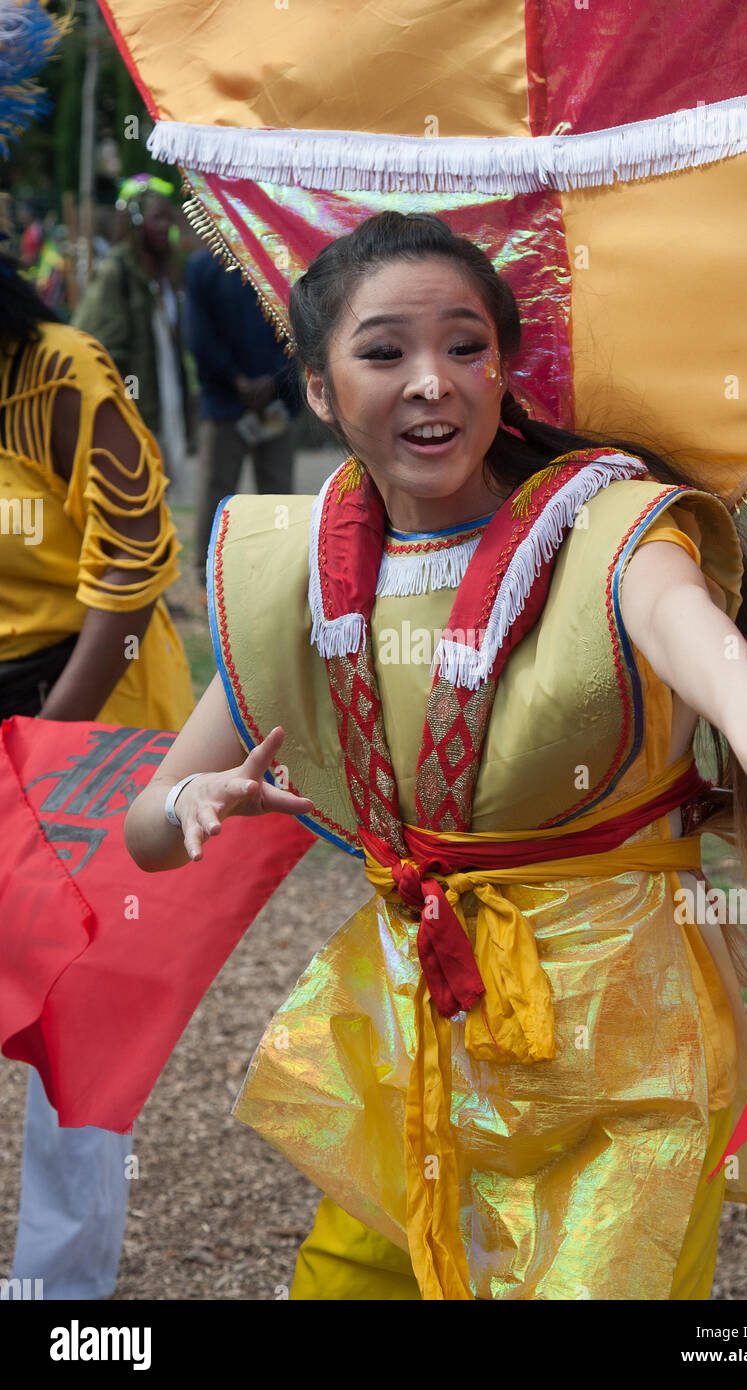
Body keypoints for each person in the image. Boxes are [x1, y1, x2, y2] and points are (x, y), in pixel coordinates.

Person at [124, 211, 747, 1301]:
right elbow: (144, 831)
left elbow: (675, 621)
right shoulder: (305, 576)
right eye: (383, 352)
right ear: (317, 388)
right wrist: (189, 803)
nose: (430, 382)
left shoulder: (607, 523)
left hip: (621, 1042)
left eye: (465, 347)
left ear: (504, 369)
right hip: (414, 1032)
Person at [0, 248, 195, 1298]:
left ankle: (56, 1293)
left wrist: (43, 740)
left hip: (81, 715)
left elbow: (131, 564)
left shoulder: (59, 375)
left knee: (76, 1016)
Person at [183, 247, 301, 597]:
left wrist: (265, 380)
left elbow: (296, 323)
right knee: (222, 489)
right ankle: (209, 572)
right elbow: (199, 335)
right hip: (231, 401)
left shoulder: (280, 259)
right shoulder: (205, 265)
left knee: (267, 491)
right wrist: (246, 380)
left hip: (270, 399)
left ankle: (274, 572)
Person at [72, 175, 194, 491]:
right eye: (157, 217)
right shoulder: (117, 270)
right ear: (137, 221)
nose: (165, 225)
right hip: (131, 411)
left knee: (157, 495)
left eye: (168, 217)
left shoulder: (164, 270)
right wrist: (123, 409)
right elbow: (98, 343)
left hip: (162, 402)